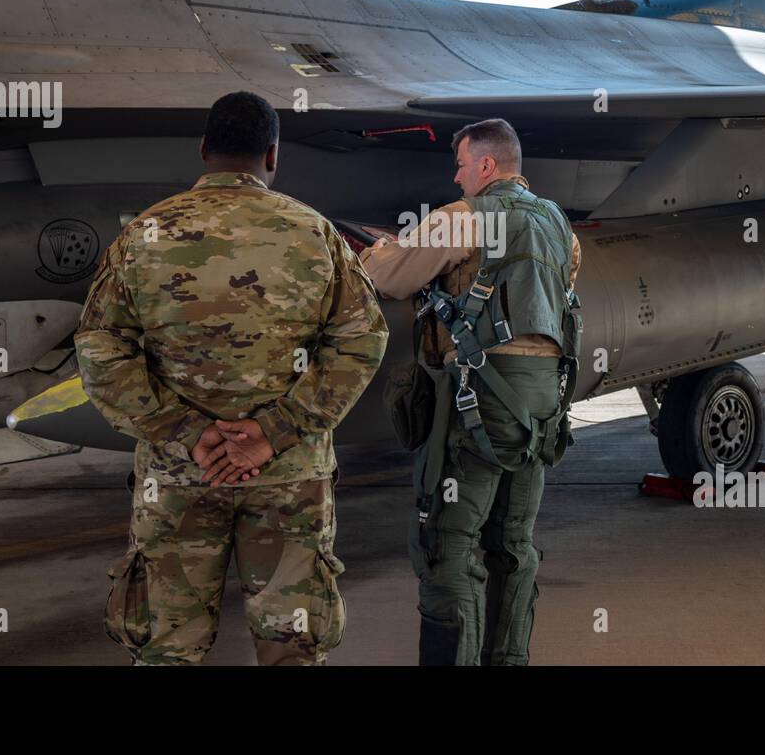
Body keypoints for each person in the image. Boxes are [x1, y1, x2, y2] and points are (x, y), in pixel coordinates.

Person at [75, 90, 388, 666]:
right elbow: (361, 339)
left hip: (178, 476)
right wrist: (277, 430)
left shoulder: (143, 234)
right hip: (288, 479)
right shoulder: (314, 233)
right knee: (291, 649)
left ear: (202, 150)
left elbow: (100, 346)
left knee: (167, 650)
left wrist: (188, 432)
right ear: (273, 154)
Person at [360, 118, 581, 666]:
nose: (456, 178)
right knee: (513, 545)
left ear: (486, 165)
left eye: (461, 165)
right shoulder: (559, 224)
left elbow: (389, 276)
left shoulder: (465, 219)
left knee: (446, 547)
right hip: (541, 410)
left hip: (479, 404)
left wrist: (381, 250)